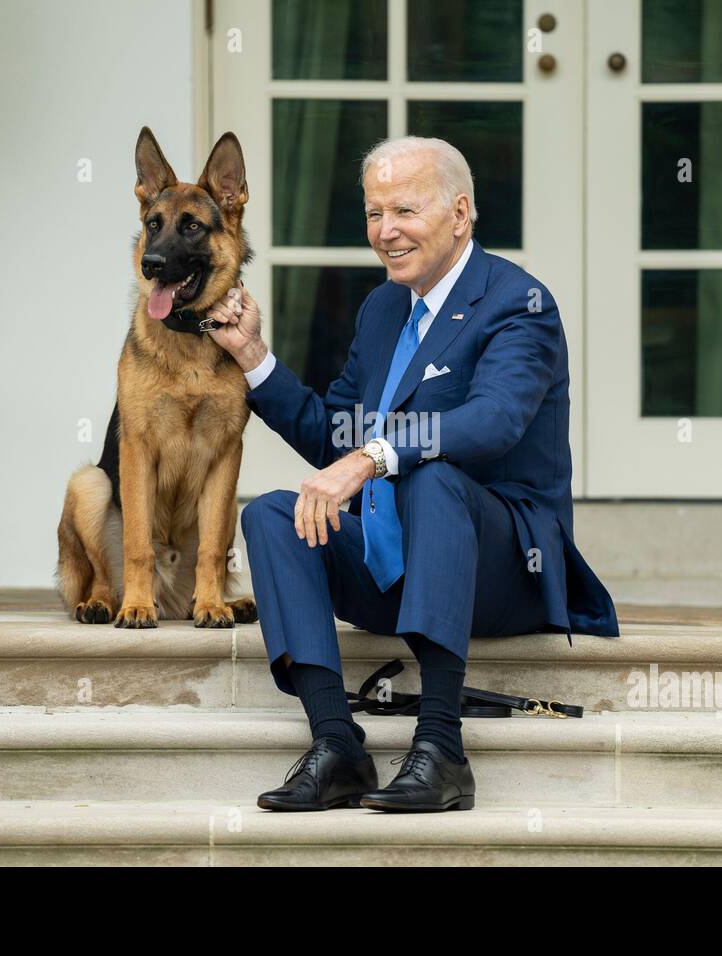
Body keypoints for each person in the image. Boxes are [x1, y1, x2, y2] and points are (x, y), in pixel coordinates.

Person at [206, 136, 619, 813]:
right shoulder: (381, 310)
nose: (386, 231)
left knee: (432, 478)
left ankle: (440, 748)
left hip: (502, 567)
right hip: (394, 565)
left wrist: (372, 458)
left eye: (405, 210)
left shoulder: (520, 304)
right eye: (373, 213)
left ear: (460, 214)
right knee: (272, 515)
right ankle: (336, 744)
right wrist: (253, 357)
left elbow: (492, 423)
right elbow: (332, 435)